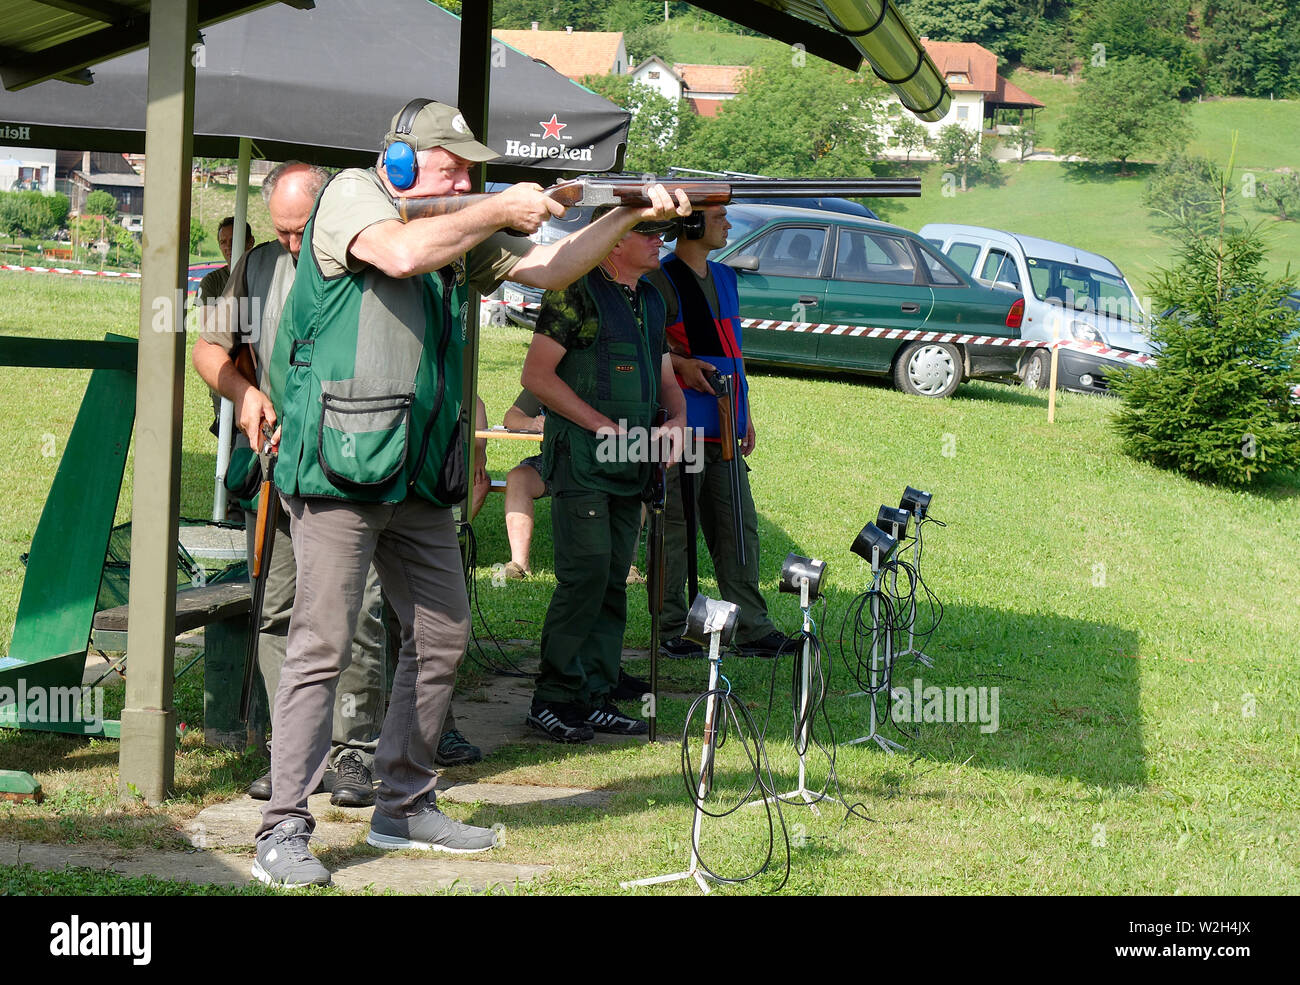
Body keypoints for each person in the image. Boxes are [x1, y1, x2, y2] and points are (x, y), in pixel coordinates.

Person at [250, 98, 690, 886]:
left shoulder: (460, 226)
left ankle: (404, 801)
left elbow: (552, 268)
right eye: (449, 164)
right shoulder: (354, 194)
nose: (463, 176)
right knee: (322, 644)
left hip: (420, 471)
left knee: (444, 635)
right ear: (399, 162)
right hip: (341, 469)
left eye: (468, 166)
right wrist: (497, 206)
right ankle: (282, 825)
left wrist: (625, 217)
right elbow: (400, 254)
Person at [192, 162, 386, 809]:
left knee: (357, 612)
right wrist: (242, 393)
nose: (294, 245)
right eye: (283, 232)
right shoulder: (257, 266)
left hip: (353, 470)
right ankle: (291, 748)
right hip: (278, 469)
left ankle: (352, 753)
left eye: (303, 230)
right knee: (276, 611)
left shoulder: (374, 254)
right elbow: (208, 349)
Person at [521, 210, 688, 743]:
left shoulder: (653, 299)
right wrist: (600, 426)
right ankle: (553, 697)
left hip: (632, 464)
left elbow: (664, 378)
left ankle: (594, 693)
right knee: (585, 575)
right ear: (613, 241)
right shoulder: (573, 293)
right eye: (647, 231)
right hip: (582, 463)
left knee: (614, 575)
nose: (658, 239)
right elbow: (537, 378)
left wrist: (679, 421)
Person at [645, 205, 792, 660]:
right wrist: (680, 363)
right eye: (718, 217)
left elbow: (735, 353)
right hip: (682, 422)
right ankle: (671, 625)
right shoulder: (660, 278)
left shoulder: (726, 279)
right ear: (690, 223)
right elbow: (650, 342)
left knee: (739, 528)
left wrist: (745, 412)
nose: (727, 224)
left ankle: (751, 626)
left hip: (726, 423)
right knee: (674, 530)